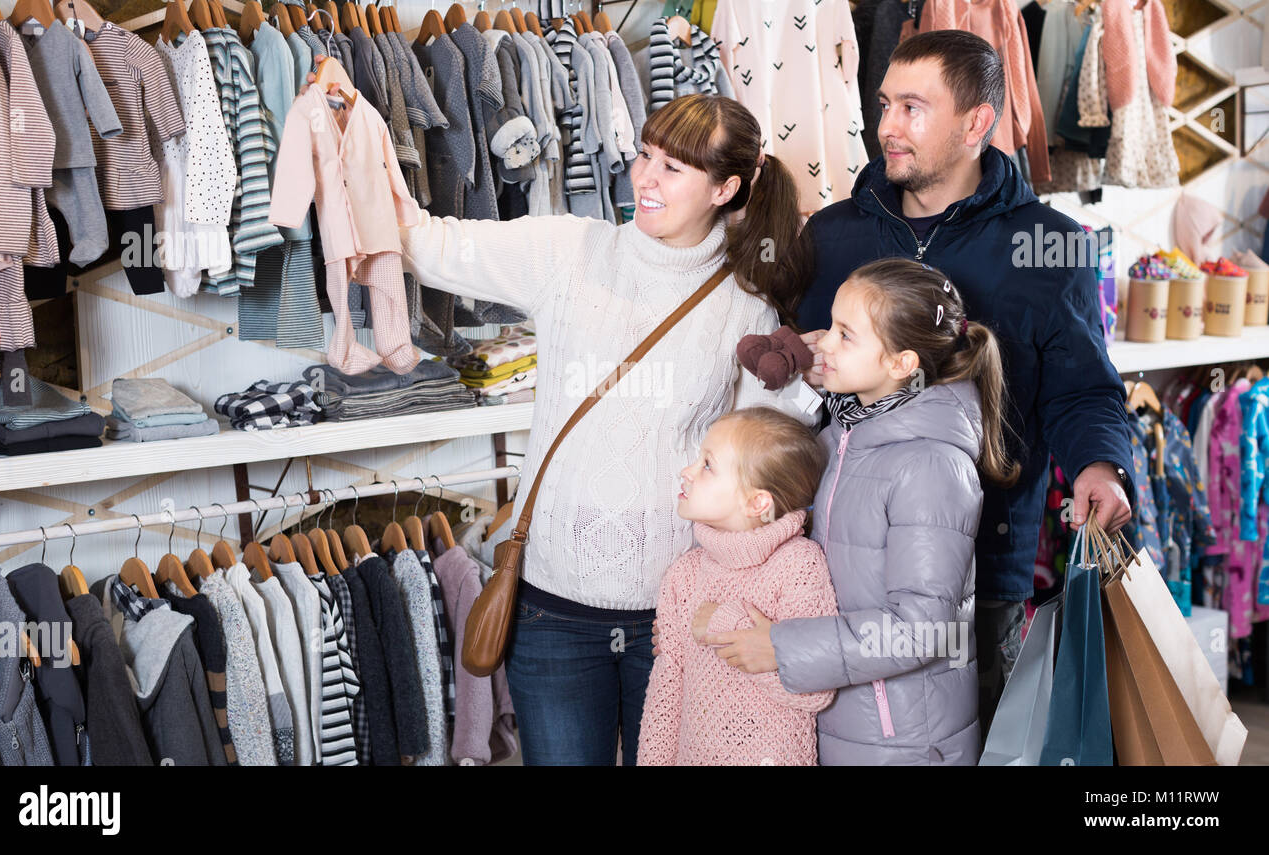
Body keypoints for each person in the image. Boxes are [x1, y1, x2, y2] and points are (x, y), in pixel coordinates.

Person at [398, 94, 817, 765]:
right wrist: (353, 138)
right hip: (551, 611)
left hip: (680, 613)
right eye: (645, 154)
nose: (645, 178)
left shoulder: (746, 308)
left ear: (726, 187)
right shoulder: (569, 250)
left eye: (675, 168)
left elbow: (760, 469)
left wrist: (799, 382)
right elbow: (426, 244)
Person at [793, 30, 1136, 737]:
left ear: (976, 123)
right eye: (884, 104)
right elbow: (798, 392)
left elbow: (1081, 389)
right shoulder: (831, 237)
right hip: (843, 571)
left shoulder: (1051, 245)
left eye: (913, 108)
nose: (885, 125)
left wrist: (1101, 464)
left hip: (992, 576)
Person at [708, 259, 1017, 764]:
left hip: (903, 742)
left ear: (901, 364)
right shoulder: (841, 438)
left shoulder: (930, 465)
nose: (823, 343)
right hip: (842, 722)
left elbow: (923, 628)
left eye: (845, 335)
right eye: (831, 324)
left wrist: (783, 649)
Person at [637, 407, 837, 766]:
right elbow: (666, 694)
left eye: (707, 465)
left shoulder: (799, 565)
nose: (687, 471)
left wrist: (724, 623)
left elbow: (815, 690)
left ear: (757, 501)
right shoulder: (684, 575)